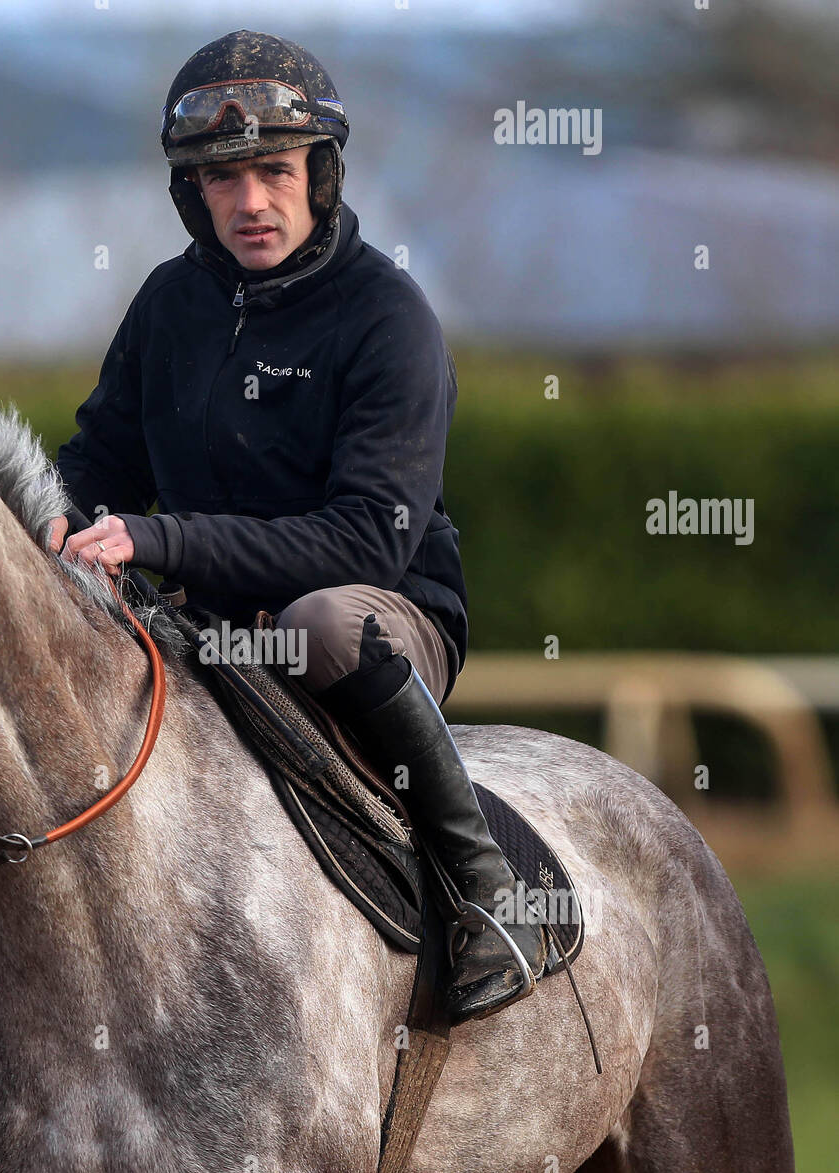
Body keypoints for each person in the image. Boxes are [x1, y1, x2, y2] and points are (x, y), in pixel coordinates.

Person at [46, 30, 545, 1024]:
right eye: (222, 178)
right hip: (201, 627)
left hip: (376, 618)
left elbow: (365, 542)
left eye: (273, 170)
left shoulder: (386, 317)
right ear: (191, 192)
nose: (250, 202)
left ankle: (487, 891)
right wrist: (49, 523)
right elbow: (95, 465)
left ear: (318, 174)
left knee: (318, 620)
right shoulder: (166, 305)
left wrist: (157, 541)